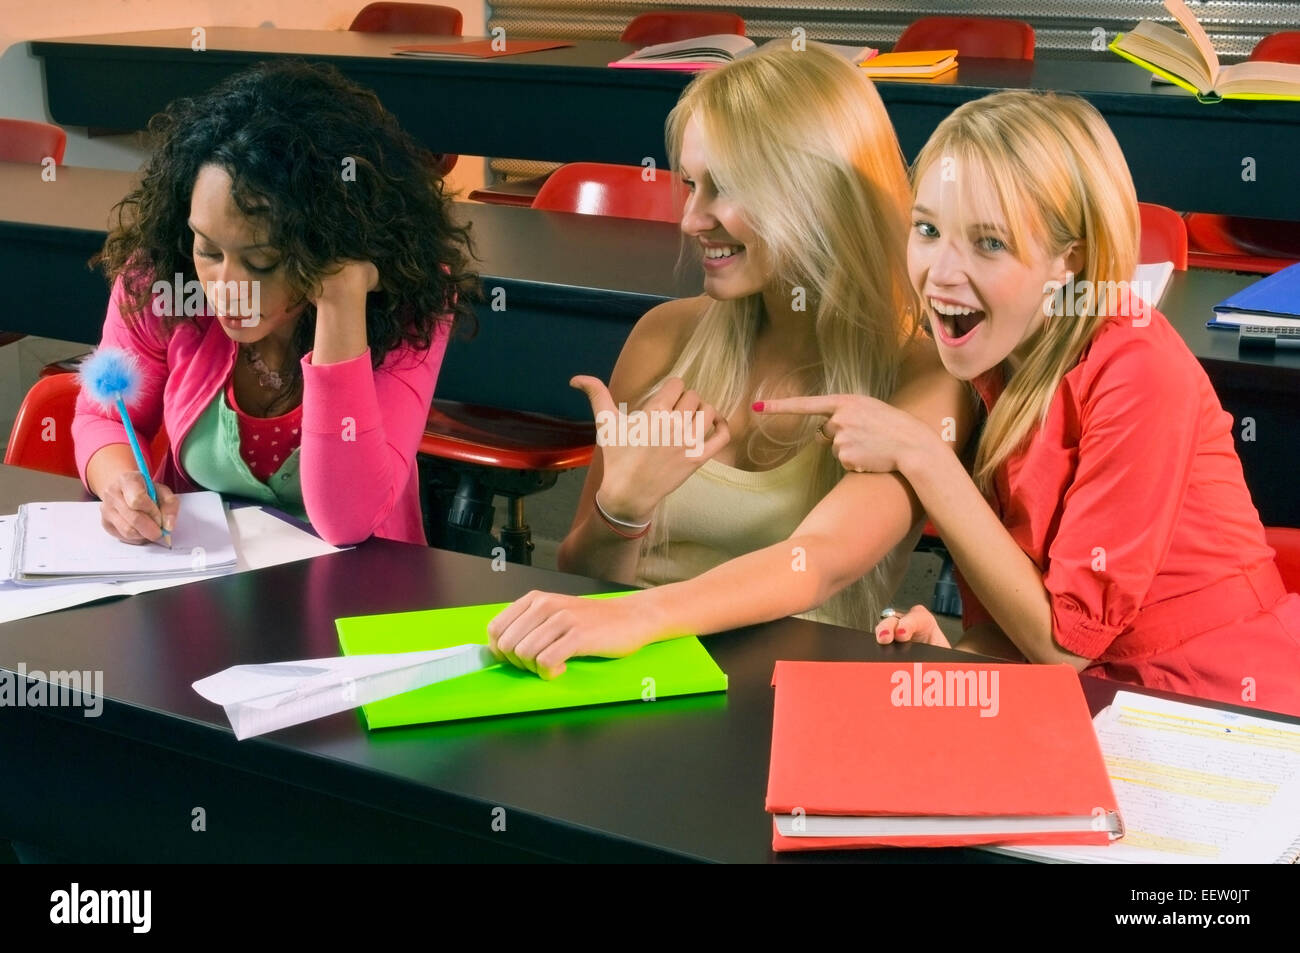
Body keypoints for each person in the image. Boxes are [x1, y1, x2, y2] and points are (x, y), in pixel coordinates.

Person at [760, 90, 1300, 716]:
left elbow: (1063, 646)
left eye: (989, 243)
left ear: (1067, 262)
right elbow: (1022, 622)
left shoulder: (1138, 370)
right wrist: (959, 657)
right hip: (1079, 696)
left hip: (1216, 706)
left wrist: (923, 455)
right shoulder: (990, 356)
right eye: (928, 229)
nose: (940, 272)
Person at [487, 43, 973, 678]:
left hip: (784, 703)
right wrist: (620, 512)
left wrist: (640, 618)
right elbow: (588, 584)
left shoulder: (926, 375)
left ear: (819, 193)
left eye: (727, 188)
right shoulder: (665, 334)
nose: (690, 218)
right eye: (690, 184)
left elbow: (821, 558)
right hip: (624, 680)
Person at [73, 60, 478, 547]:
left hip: (358, 587)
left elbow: (349, 521)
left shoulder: (408, 304)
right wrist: (119, 483)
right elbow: (103, 417)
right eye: (208, 249)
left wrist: (340, 305)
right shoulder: (162, 277)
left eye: (262, 261)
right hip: (204, 581)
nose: (226, 286)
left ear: (328, 245)